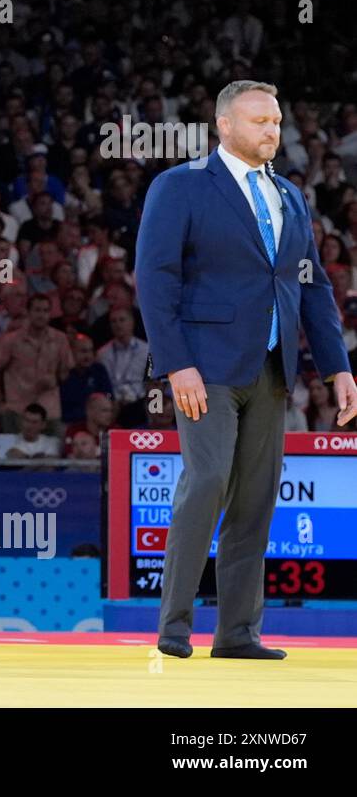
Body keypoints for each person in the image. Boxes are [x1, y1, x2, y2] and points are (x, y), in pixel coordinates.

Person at [136, 80, 357, 661]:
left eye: (277, 122)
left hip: (272, 366)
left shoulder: (289, 195)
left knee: (256, 499)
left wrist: (337, 367)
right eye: (260, 121)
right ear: (225, 127)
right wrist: (176, 364)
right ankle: (174, 628)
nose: (272, 131)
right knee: (206, 483)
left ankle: (237, 634)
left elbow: (311, 285)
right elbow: (155, 280)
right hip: (204, 366)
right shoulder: (180, 186)